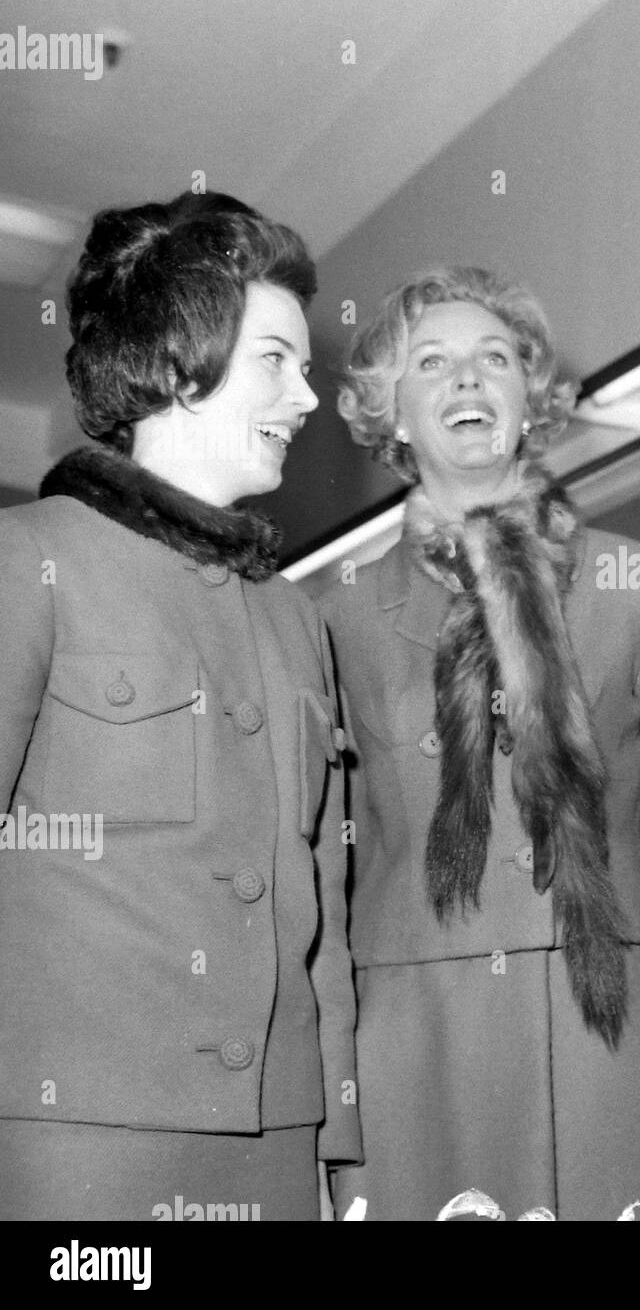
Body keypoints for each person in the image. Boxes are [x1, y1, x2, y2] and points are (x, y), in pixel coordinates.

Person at [0, 191, 360, 1219]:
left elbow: (321, 918)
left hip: (278, 1147)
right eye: (277, 362)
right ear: (180, 356)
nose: (307, 398)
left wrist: (339, 1151)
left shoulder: (297, 621)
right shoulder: (31, 564)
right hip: (72, 1150)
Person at [323, 266, 640, 1220]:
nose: (468, 379)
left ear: (530, 400)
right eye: (433, 362)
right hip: (411, 1020)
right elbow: (316, 872)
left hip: (604, 1010)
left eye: (494, 359)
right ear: (392, 415)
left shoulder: (635, 583)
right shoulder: (334, 617)